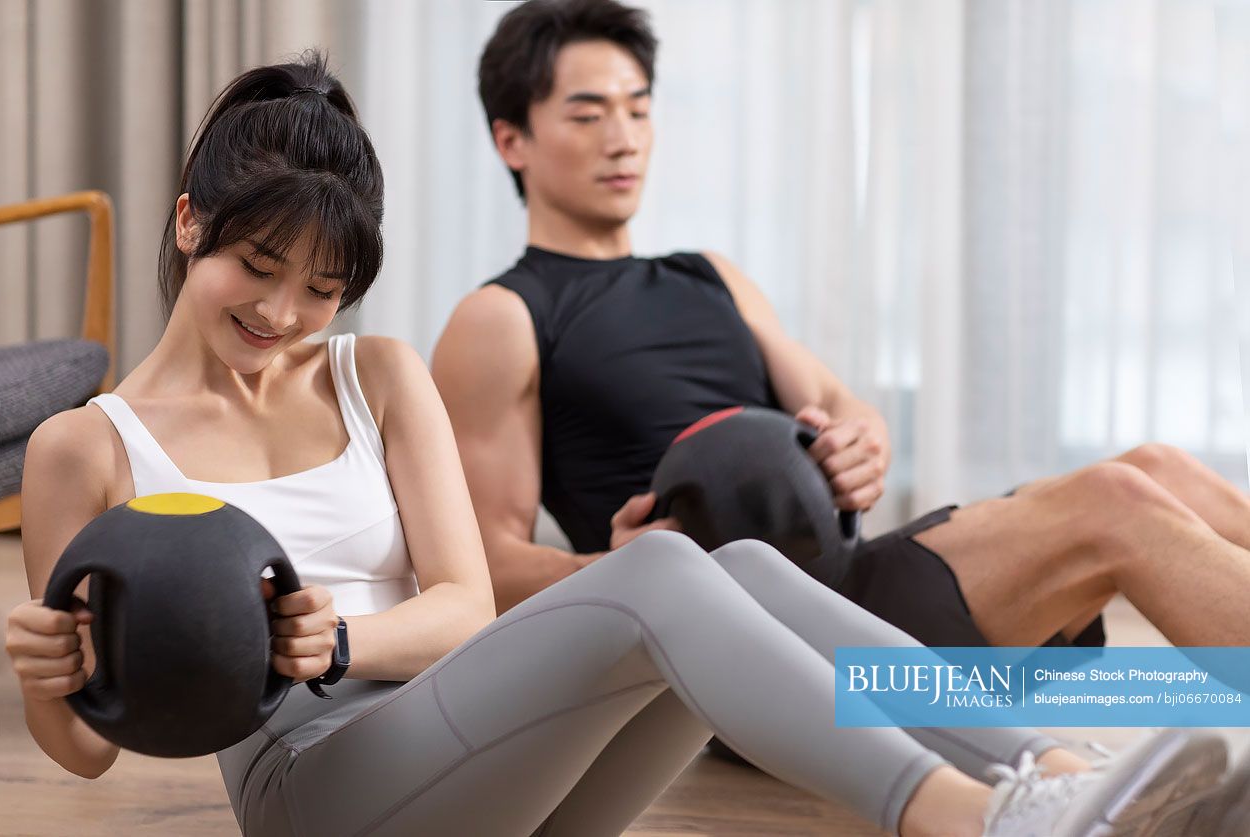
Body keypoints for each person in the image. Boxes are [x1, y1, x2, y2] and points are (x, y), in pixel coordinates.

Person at [1, 53, 1230, 837]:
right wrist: (50, 676)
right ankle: (966, 822)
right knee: (654, 572)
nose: (282, 316)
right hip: (319, 791)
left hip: (484, 751)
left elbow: (464, 603)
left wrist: (341, 634)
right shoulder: (85, 448)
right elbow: (89, 756)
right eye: (255, 271)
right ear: (188, 225)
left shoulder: (373, 374)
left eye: (322, 288)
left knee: (744, 570)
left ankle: (1065, 774)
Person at [435, 0, 1250, 662]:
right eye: (587, 114)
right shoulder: (503, 315)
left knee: (1155, 468)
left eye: (638, 109)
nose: (624, 138)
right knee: (1113, 502)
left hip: (850, 574)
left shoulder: (708, 273)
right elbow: (483, 561)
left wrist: (862, 440)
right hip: (753, 640)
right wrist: (614, 569)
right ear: (512, 139)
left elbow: (836, 401)